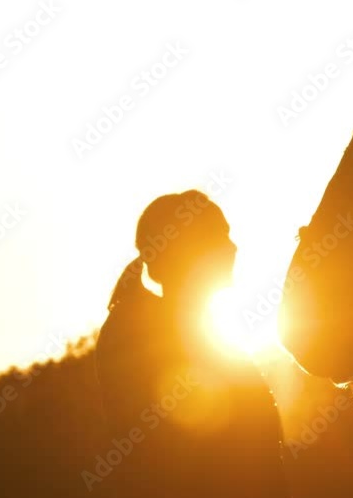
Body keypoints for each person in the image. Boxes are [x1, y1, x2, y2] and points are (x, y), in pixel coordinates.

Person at [96, 190, 288, 497]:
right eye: (220, 235)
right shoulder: (139, 335)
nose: (233, 246)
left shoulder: (204, 334)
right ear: (187, 249)